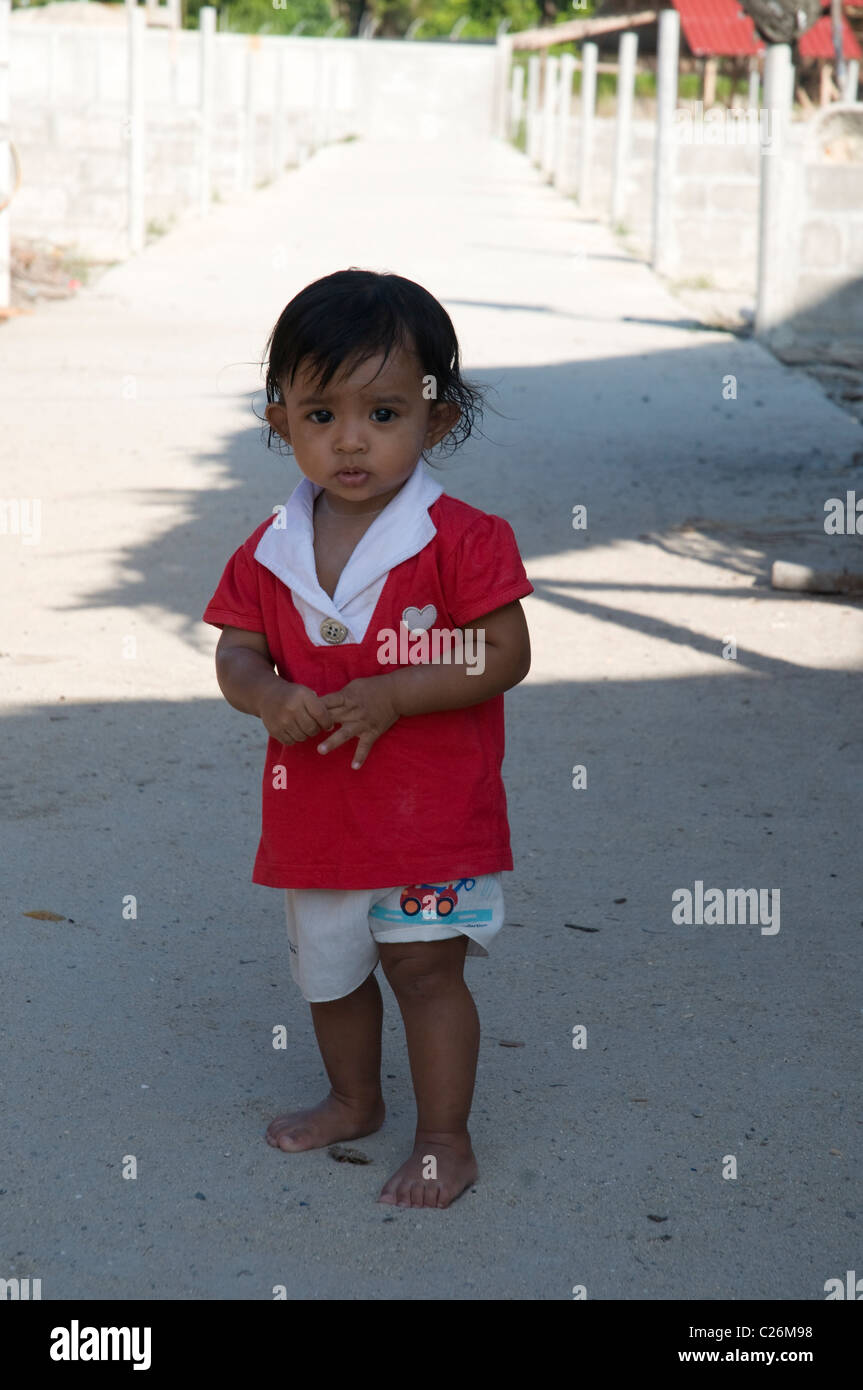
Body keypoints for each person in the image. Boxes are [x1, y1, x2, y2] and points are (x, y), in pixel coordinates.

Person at [202, 268, 533, 1209]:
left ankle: (443, 1138)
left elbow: (503, 651)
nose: (350, 439)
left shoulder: (463, 539)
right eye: (320, 415)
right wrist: (265, 696)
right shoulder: (267, 548)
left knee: (425, 971)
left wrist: (396, 692)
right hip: (319, 817)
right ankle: (353, 1100)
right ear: (279, 422)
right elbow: (235, 654)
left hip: (433, 815)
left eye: (383, 413)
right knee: (332, 973)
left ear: (438, 418)